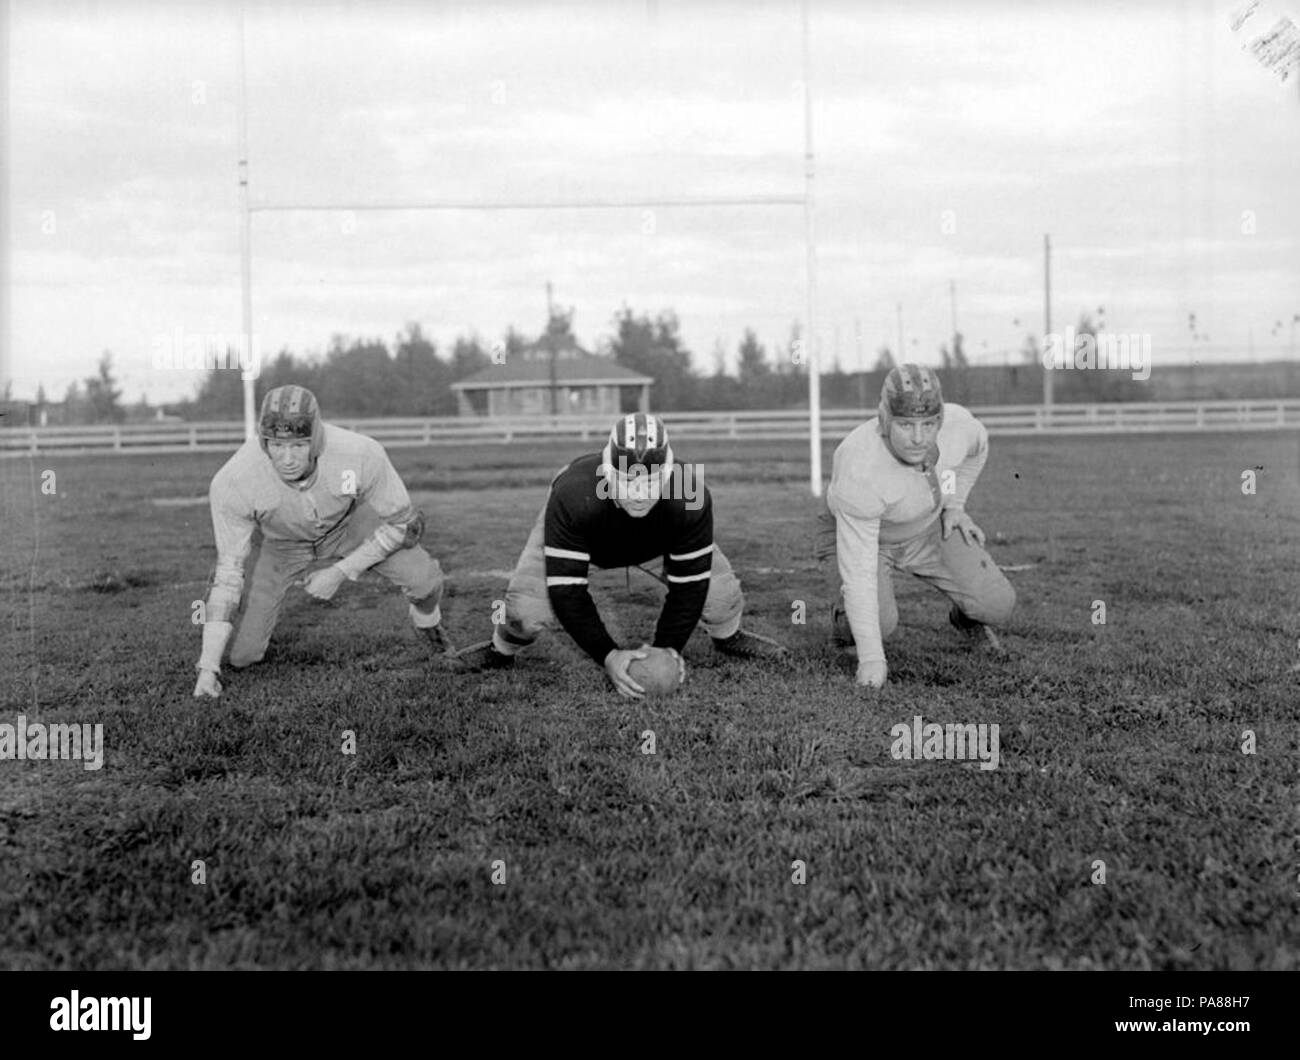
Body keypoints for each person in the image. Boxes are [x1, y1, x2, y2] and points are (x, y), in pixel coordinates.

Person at [456, 412, 787, 697]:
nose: (639, 494)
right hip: (588, 544)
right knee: (524, 612)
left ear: (668, 474)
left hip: (657, 544)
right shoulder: (574, 493)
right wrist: (608, 655)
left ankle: (728, 637)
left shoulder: (689, 491)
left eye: (650, 481)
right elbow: (567, 591)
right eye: (628, 480)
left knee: (721, 597)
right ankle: (501, 650)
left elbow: (690, 585)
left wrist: (667, 647)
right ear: (608, 473)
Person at [192, 385, 456, 698]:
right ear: (264, 441)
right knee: (241, 655)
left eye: (299, 445)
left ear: (316, 439)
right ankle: (226, 652)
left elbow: (406, 525)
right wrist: (208, 668)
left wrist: (340, 571)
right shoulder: (234, 480)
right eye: (277, 445)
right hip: (280, 543)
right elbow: (228, 574)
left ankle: (427, 622)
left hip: (349, 524)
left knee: (424, 581)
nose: (287, 459)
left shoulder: (359, 453)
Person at [816, 364, 1015, 689]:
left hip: (927, 525)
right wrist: (872, 660)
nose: (919, 438)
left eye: (928, 424)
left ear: (940, 420)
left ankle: (967, 619)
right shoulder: (859, 467)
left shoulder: (958, 428)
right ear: (885, 419)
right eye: (906, 424)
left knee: (997, 605)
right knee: (879, 624)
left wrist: (955, 505)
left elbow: (977, 450)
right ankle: (844, 628)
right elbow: (860, 575)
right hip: (867, 537)